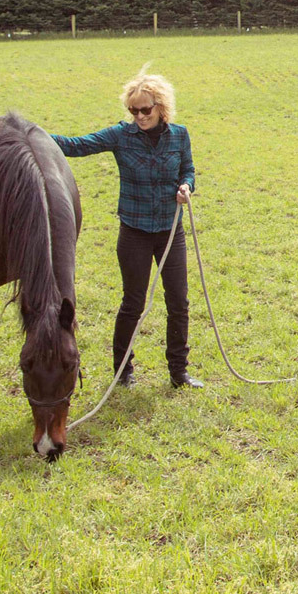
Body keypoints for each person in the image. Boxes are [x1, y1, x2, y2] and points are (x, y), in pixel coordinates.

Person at [51, 67, 203, 389]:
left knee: (179, 301)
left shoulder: (180, 135)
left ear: (161, 107)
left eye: (145, 110)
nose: (139, 116)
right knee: (132, 302)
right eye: (133, 110)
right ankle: (123, 371)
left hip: (170, 232)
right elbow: (78, 145)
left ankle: (179, 371)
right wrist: (36, 135)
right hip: (134, 232)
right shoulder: (121, 135)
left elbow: (188, 169)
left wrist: (187, 186)